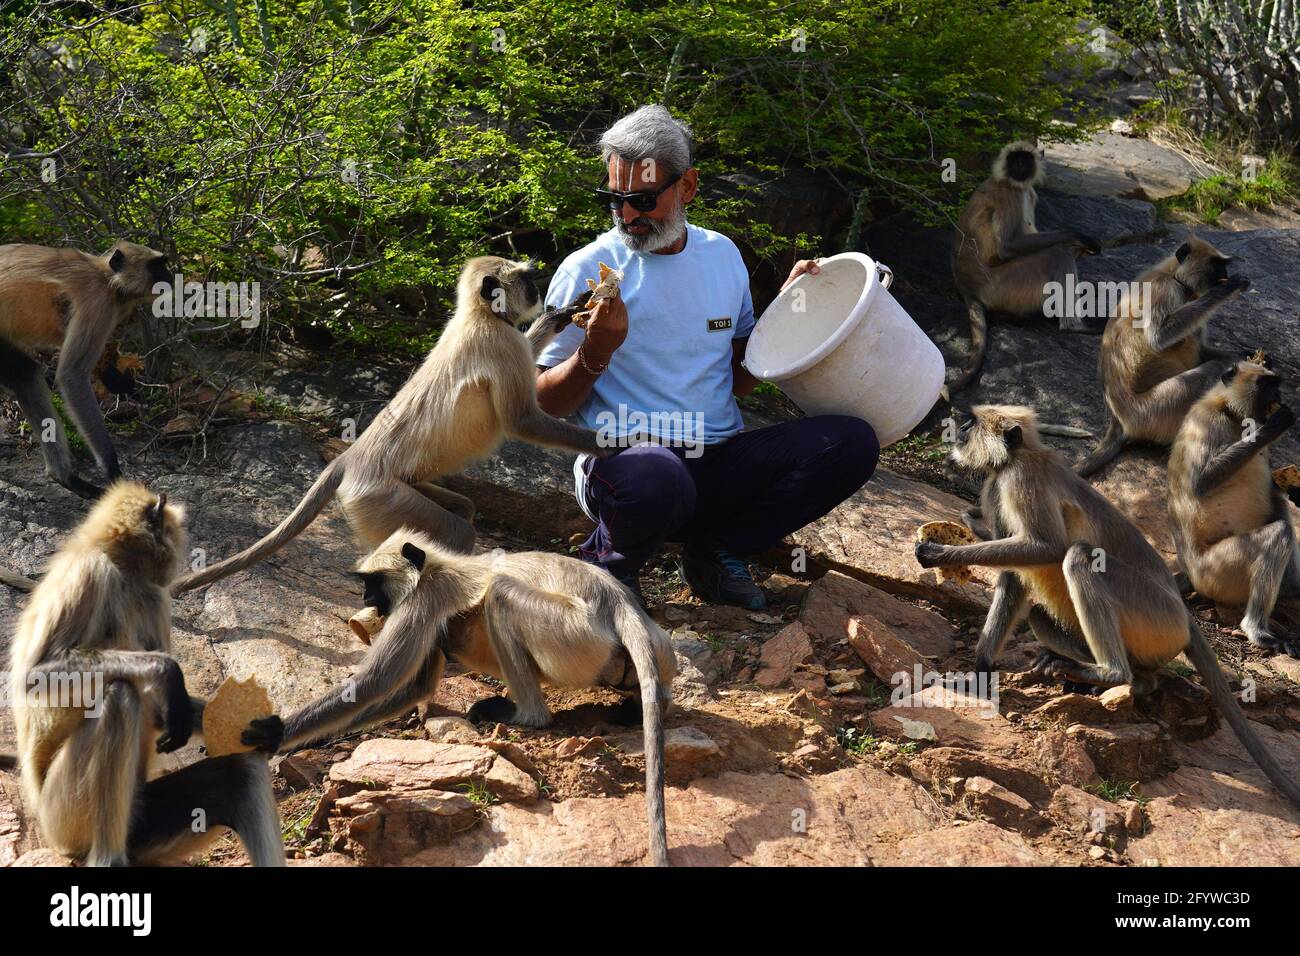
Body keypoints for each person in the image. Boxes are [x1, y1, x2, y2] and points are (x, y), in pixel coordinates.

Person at [536, 105, 879, 610]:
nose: (628, 215)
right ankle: (607, 570)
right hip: (627, 462)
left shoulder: (722, 256)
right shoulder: (587, 269)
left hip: (714, 458)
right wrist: (596, 351)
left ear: (688, 187)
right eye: (615, 199)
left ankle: (718, 552)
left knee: (850, 442)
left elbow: (739, 380)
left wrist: (785, 316)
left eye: (642, 200)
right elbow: (544, 402)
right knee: (657, 475)